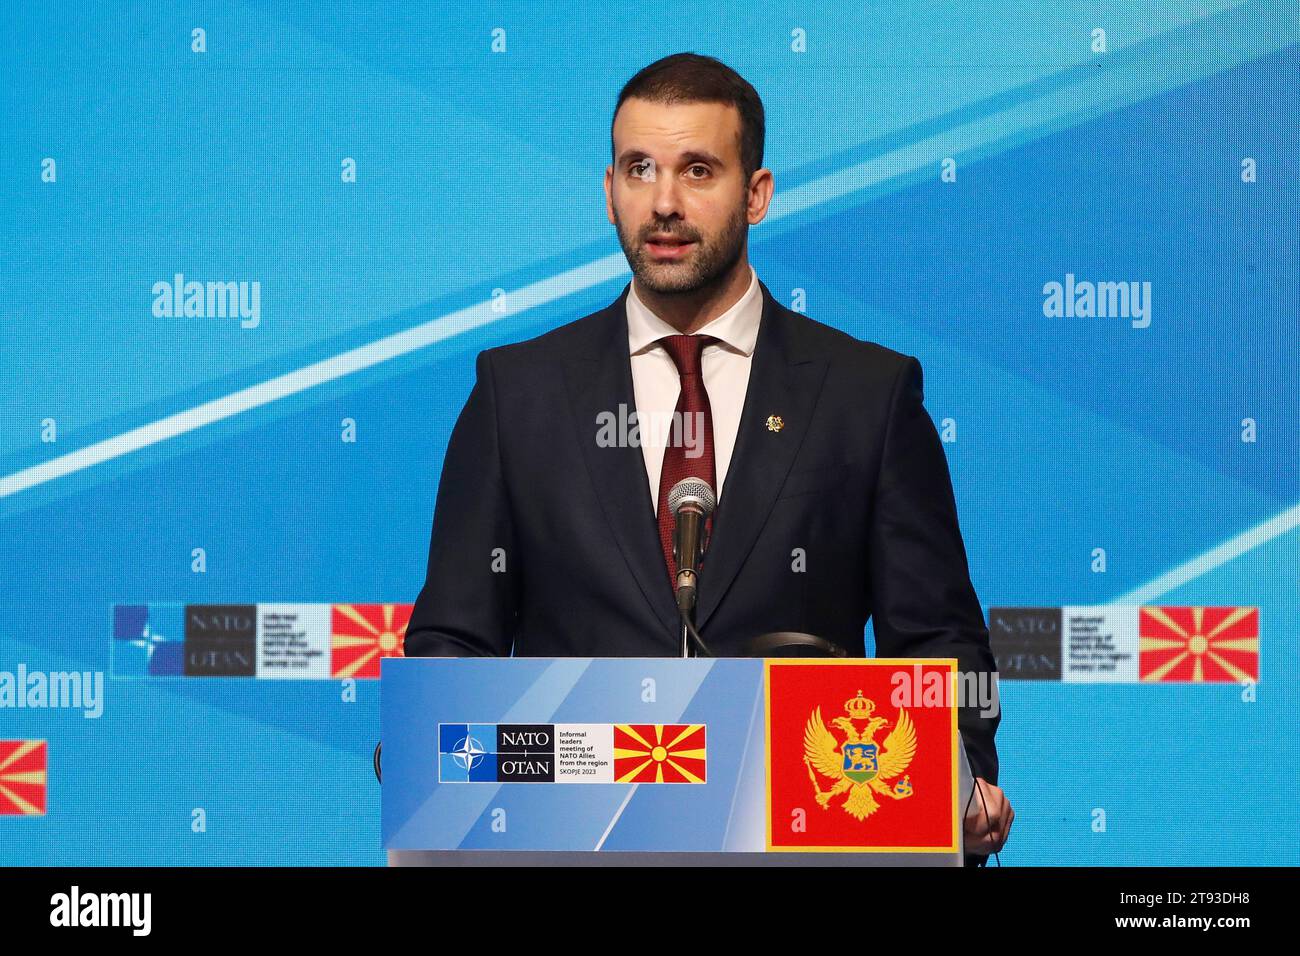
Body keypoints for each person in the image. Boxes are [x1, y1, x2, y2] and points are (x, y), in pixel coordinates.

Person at [406, 52, 1013, 862]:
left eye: (697, 170)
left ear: (756, 194)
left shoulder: (866, 393)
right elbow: (455, 644)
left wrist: (962, 773)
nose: (663, 203)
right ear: (608, 191)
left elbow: (937, 638)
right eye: (638, 169)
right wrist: (427, 762)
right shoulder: (517, 394)